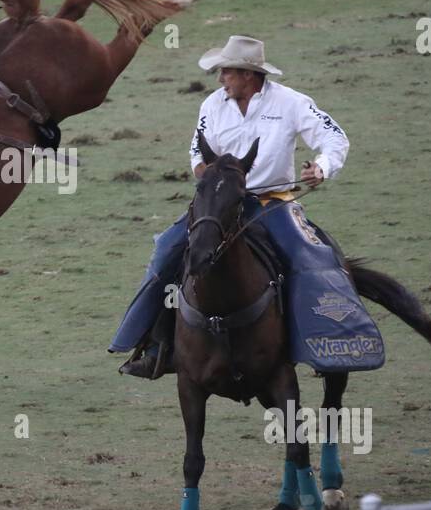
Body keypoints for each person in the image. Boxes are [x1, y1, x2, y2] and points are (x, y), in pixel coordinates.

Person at [110, 35, 350, 378]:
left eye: (226, 72)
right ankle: (154, 345)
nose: (221, 79)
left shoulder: (292, 103)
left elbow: (334, 137)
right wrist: (201, 170)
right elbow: (198, 147)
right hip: (219, 201)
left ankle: (324, 340)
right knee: (167, 249)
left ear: (248, 75)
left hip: (271, 203)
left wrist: (322, 167)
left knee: (308, 259)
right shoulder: (212, 104)